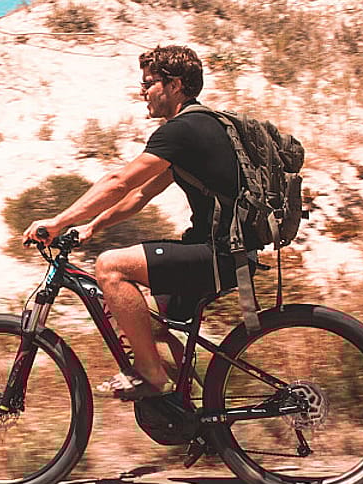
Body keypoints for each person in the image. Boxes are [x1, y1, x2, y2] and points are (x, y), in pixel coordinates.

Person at [22, 45, 258, 400]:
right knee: (146, 320)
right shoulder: (202, 126)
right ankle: (194, 414)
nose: (142, 92)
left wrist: (57, 222)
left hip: (217, 254)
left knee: (110, 267)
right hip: (224, 252)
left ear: (175, 85)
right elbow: (139, 196)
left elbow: (120, 182)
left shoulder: (181, 130)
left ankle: (150, 374)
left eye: (149, 83)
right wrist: (91, 227)